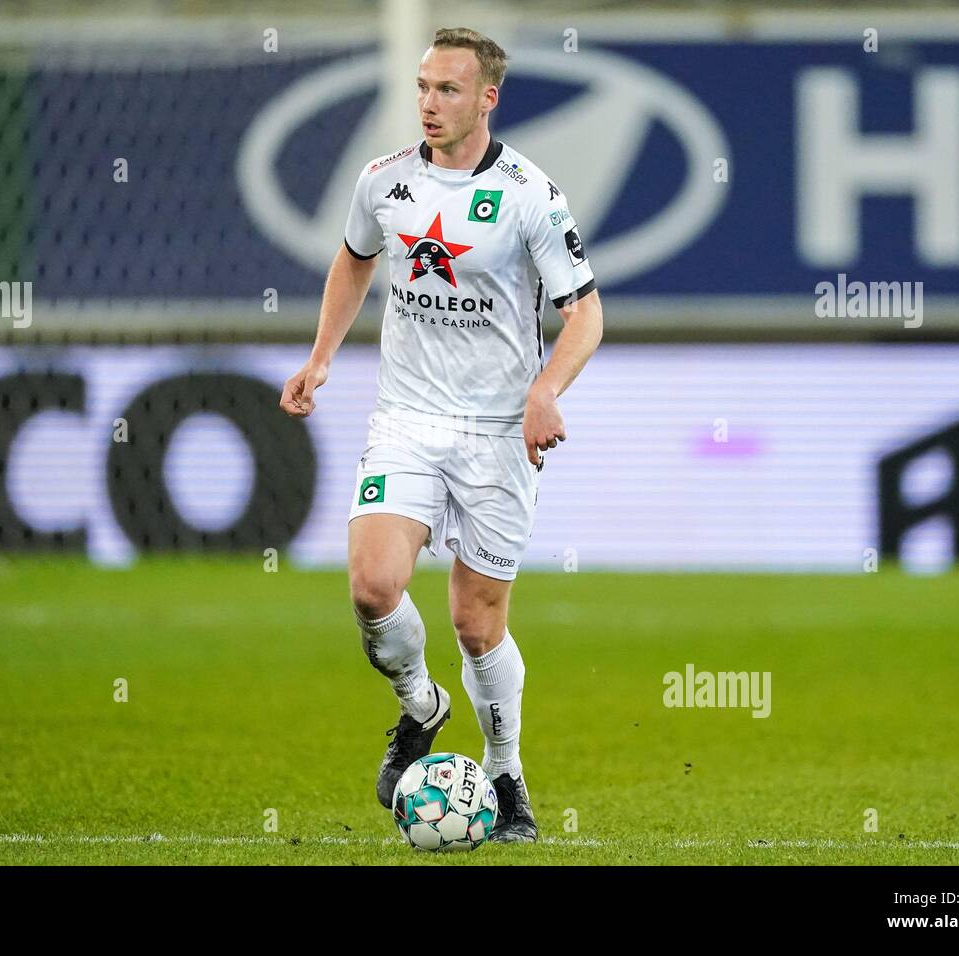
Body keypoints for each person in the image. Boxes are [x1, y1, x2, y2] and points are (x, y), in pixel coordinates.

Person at [279, 26, 603, 843]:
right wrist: (320, 357)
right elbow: (354, 260)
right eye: (423, 86)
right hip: (407, 419)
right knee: (372, 587)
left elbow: (586, 313)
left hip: (498, 433)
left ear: (486, 98)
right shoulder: (383, 183)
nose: (428, 102)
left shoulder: (531, 192)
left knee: (476, 621)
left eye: (448, 90)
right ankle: (421, 704)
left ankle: (506, 774)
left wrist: (545, 389)